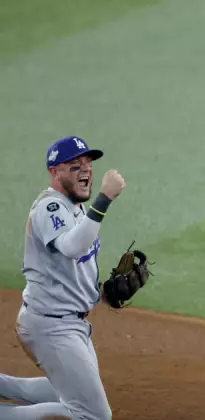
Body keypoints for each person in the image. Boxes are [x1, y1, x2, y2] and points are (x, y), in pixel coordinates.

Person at [0, 136, 149, 420]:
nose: (86, 170)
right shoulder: (49, 208)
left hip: (69, 324)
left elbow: (72, 271)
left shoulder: (75, 208)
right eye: (74, 165)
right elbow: (72, 247)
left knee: (68, 395)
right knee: (92, 415)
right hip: (51, 326)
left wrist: (105, 294)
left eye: (88, 163)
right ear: (54, 172)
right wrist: (104, 198)